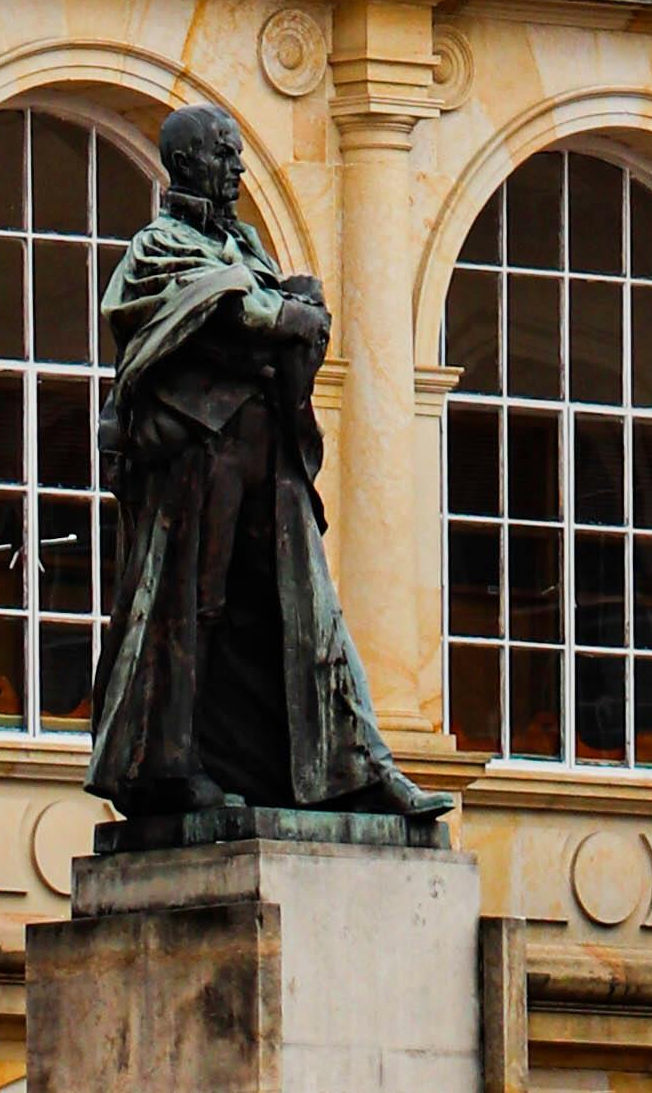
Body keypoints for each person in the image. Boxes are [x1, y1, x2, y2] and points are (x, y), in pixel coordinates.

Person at [84, 98, 443, 832]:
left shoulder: (243, 244)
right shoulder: (158, 246)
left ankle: (349, 769)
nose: (238, 165)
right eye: (224, 152)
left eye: (239, 151)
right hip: (198, 450)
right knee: (191, 605)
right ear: (184, 162)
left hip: (261, 450)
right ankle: (169, 765)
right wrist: (278, 314)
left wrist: (288, 310)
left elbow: (266, 309)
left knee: (302, 613)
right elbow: (201, 310)